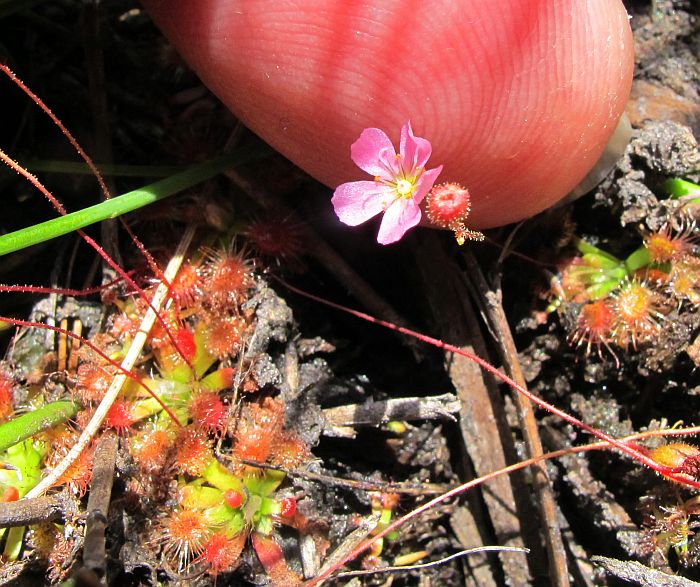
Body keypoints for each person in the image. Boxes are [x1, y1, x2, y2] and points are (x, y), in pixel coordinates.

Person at [143, 0, 633, 228]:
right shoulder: (416, 179)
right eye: (405, 184)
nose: (405, 185)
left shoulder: (422, 173)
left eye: (408, 184)